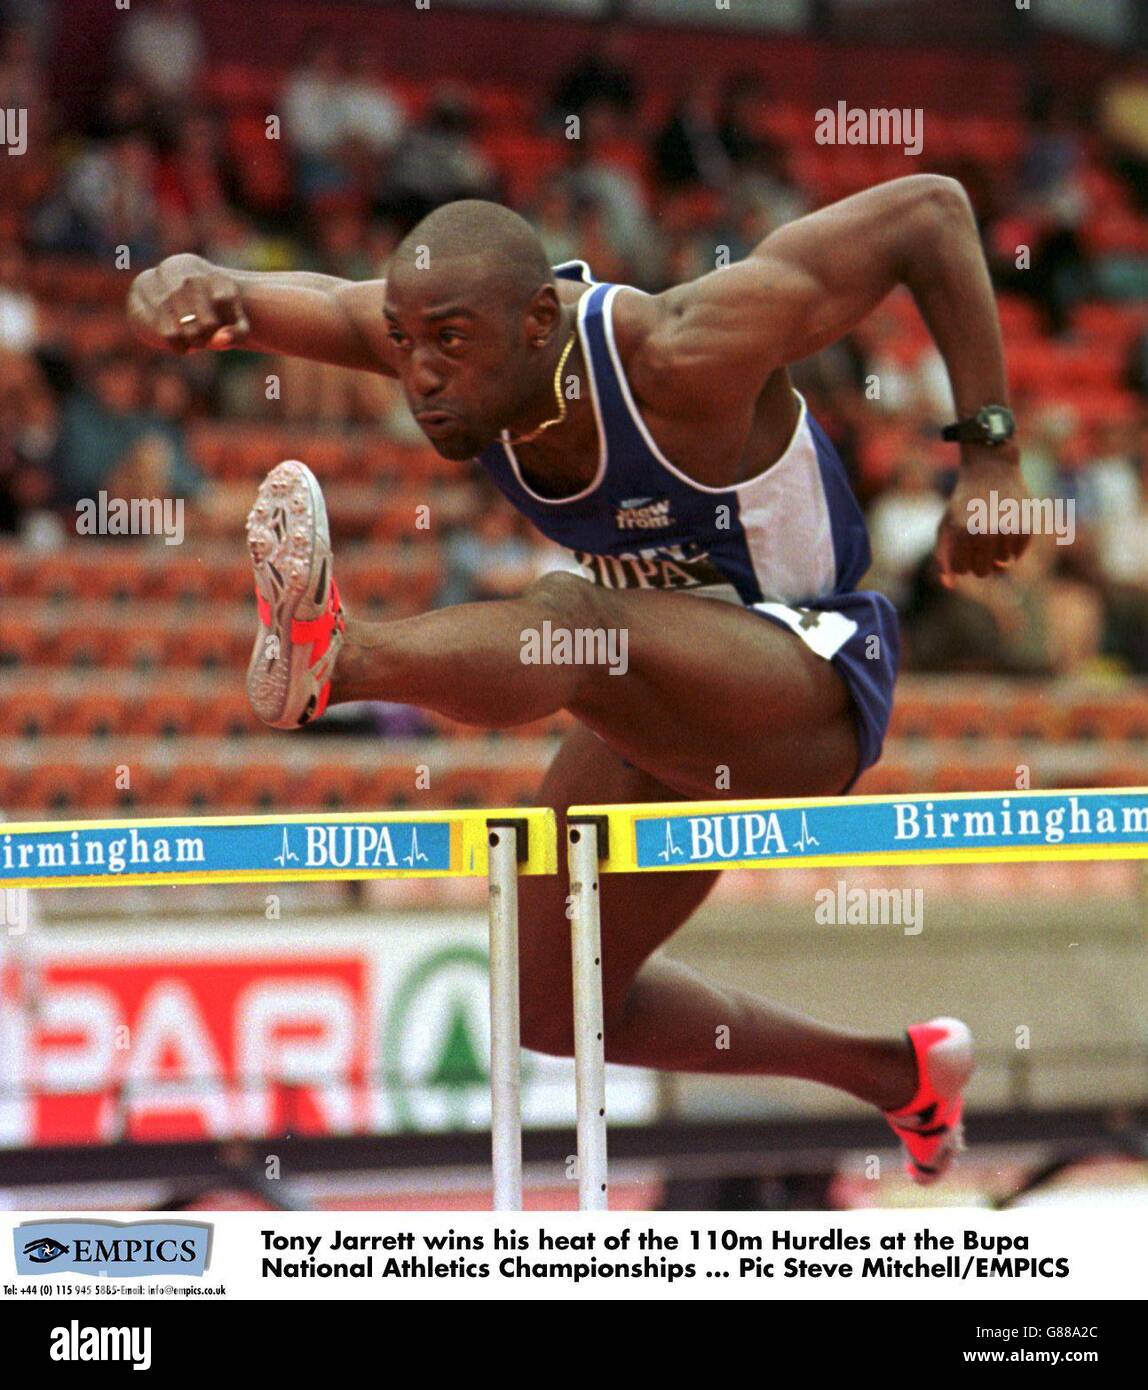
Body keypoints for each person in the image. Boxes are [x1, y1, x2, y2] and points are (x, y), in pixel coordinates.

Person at [127, 182, 1030, 1185]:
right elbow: (267, 300)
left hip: (806, 684)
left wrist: (989, 458)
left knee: (573, 621)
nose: (419, 376)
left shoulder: (683, 349)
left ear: (537, 323)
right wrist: (194, 286)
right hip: (662, 699)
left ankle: (337, 658)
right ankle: (896, 1073)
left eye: (447, 345)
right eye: (404, 344)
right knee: (549, 1004)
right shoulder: (447, 345)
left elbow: (934, 213)